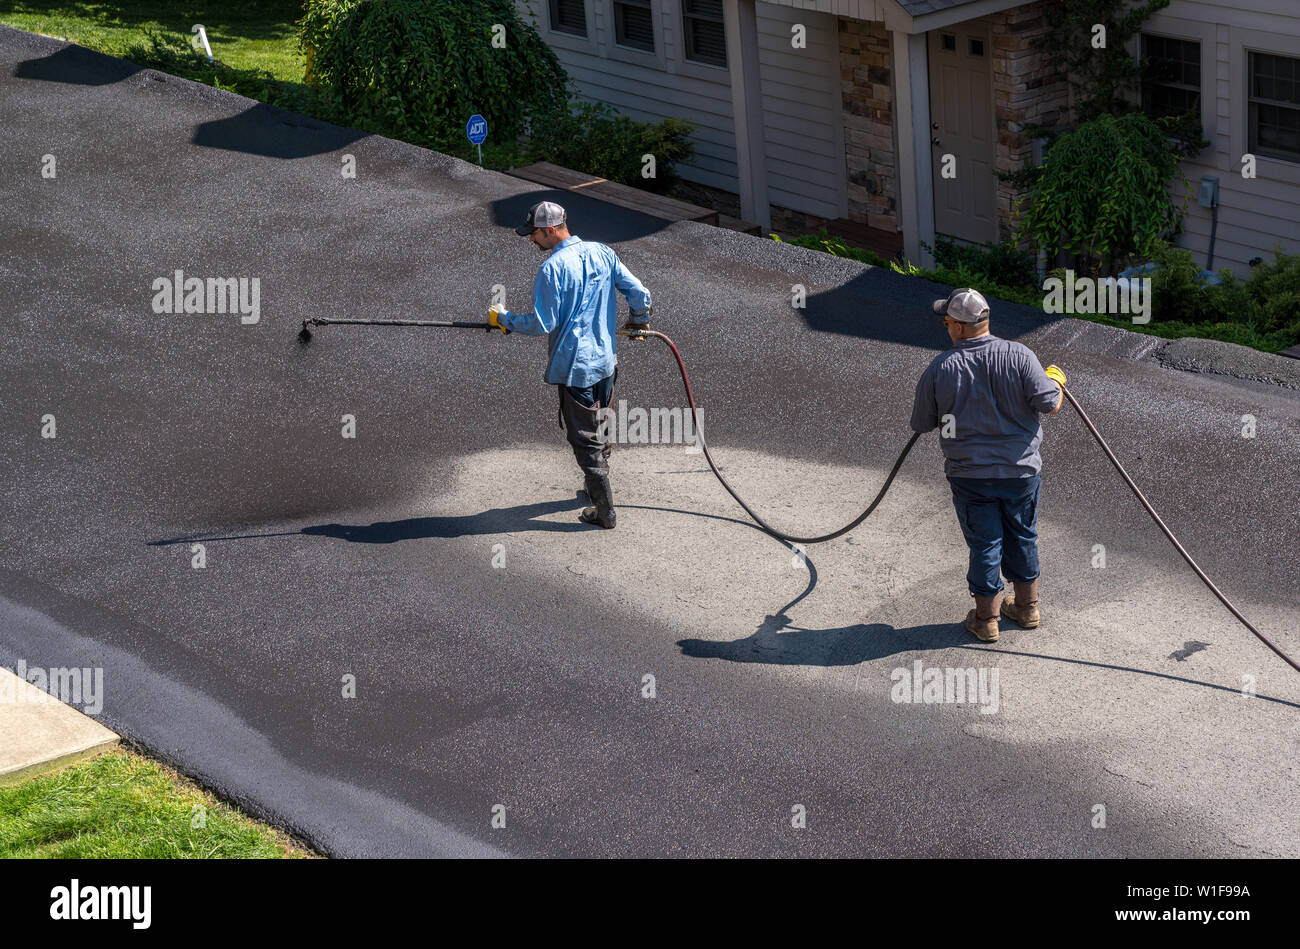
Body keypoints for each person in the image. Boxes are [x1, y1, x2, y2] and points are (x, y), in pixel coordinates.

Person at [909, 288, 1067, 642]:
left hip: (971, 476)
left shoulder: (941, 367)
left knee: (985, 543)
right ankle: (1027, 610)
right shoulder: (1022, 356)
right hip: (1021, 472)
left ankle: (986, 621)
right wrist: (1054, 379)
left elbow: (921, 423)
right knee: (1023, 534)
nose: (946, 328)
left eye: (948, 322)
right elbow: (1050, 404)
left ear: (961, 328)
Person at [488, 201, 652, 528]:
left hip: (577, 368)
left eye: (534, 234)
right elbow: (639, 292)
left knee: (584, 438)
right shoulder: (602, 252)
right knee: (601, 424)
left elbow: (542, 323)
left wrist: (504, 319)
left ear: (550, 230)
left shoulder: (552, 268)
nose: (531, 240)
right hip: (606, 362)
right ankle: (596, 488)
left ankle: (604, 512)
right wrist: (638, 321)